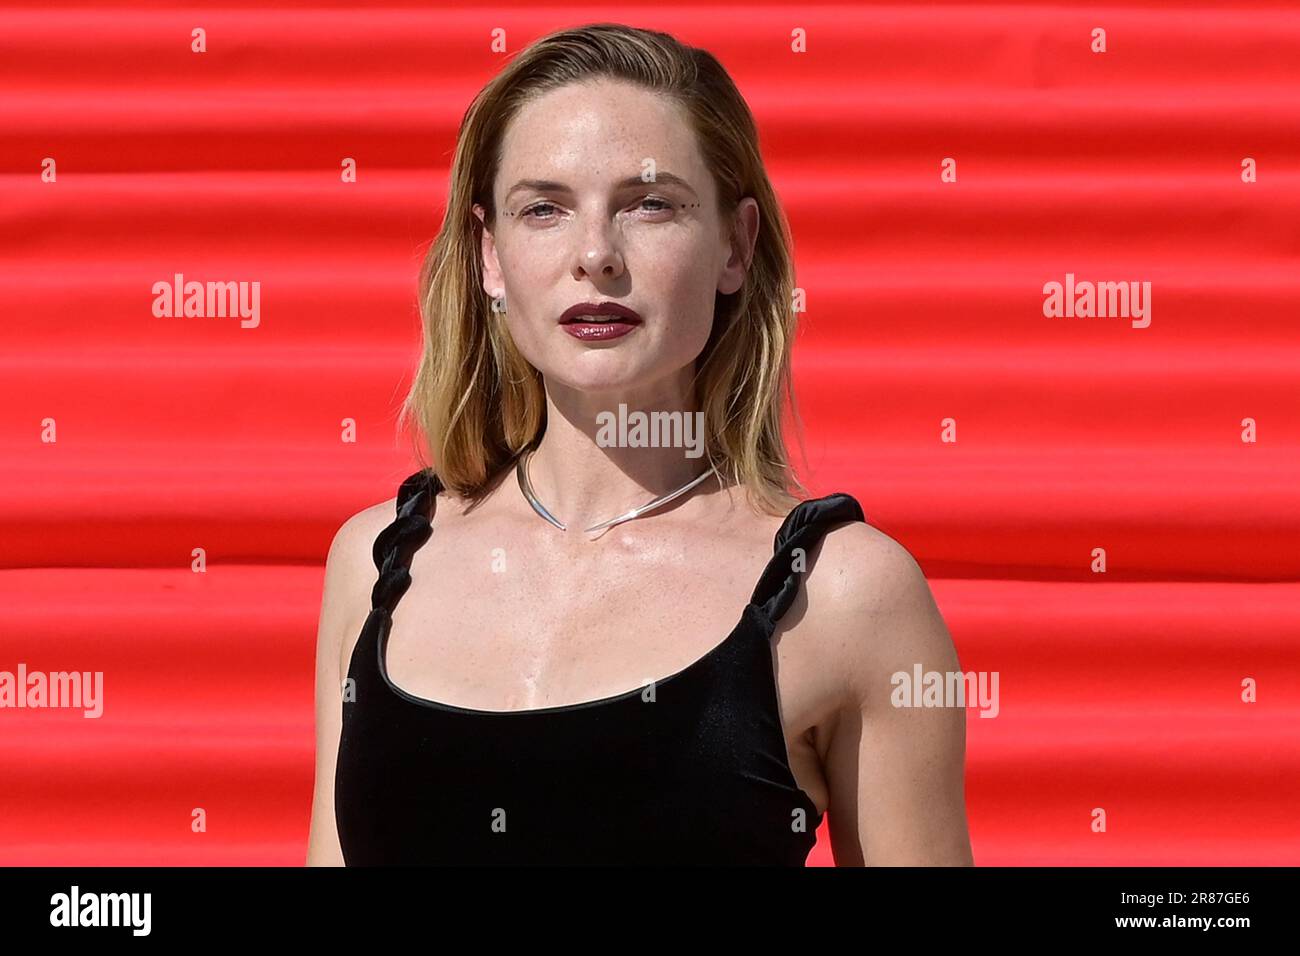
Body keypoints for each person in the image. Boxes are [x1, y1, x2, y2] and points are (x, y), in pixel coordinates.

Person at [306, 22, 972, 866]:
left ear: (736, 245)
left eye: (650, 203)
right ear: (490, 258)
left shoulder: (843, 593)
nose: (595, 256)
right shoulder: (373, 564)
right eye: (543, 208)